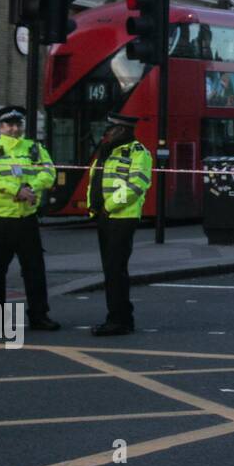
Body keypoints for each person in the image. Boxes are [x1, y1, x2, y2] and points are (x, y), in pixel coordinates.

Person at [0, 105, 60, 331]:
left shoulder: (34, 147)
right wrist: (17, 190)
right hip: (0, 219)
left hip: (27, 219)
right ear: (0, 127)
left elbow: (49, 172)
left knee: (34, 269)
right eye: (9, 125)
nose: (14, 129)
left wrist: (30, 188)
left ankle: (39, 316)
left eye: (18, 124)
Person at [86, 113, 152, 336]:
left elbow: (136, 186)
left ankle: (119, 320)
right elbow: (94, 181)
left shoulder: (138, 153)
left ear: (122, 130)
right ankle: (120, 318)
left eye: (111, 129)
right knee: (111, 270)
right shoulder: (106, 152)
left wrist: (109, 207)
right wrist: (93, 208)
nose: (107, 132)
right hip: (105, 217)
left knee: (115, 270)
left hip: (122, 217)